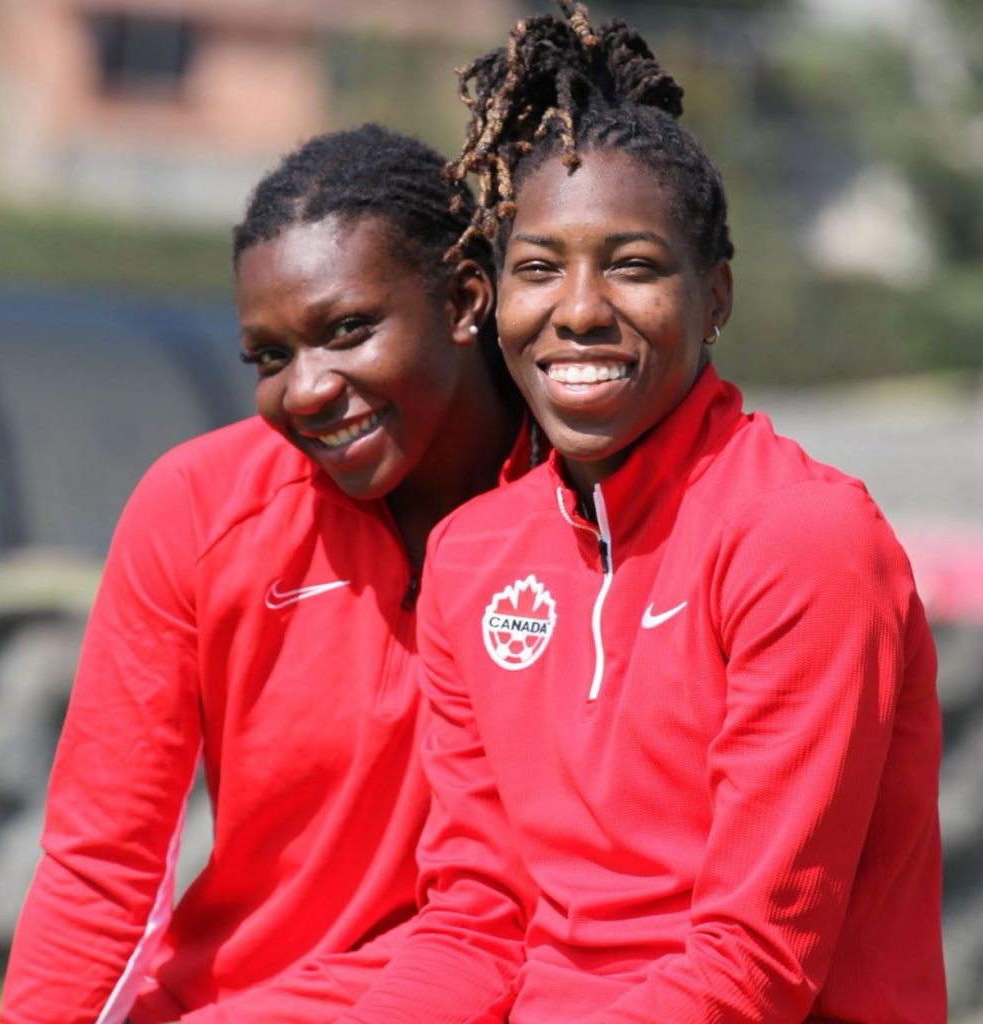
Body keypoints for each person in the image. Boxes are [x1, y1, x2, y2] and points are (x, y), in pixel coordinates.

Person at [339, 4, 946, 1022]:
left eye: (631, 265)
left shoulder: (803, 541)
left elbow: (750, 968)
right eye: (538, 268)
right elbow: (474, 919)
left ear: (714, 298)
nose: (577, 309)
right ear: (493, 298)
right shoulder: (471, 554)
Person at [0, 123, 535, 1024]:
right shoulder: (198, 507)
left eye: (349, 330)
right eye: (271, 357)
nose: (307, 389)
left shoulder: (586, 515)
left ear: (465, 298)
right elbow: (103, 860)